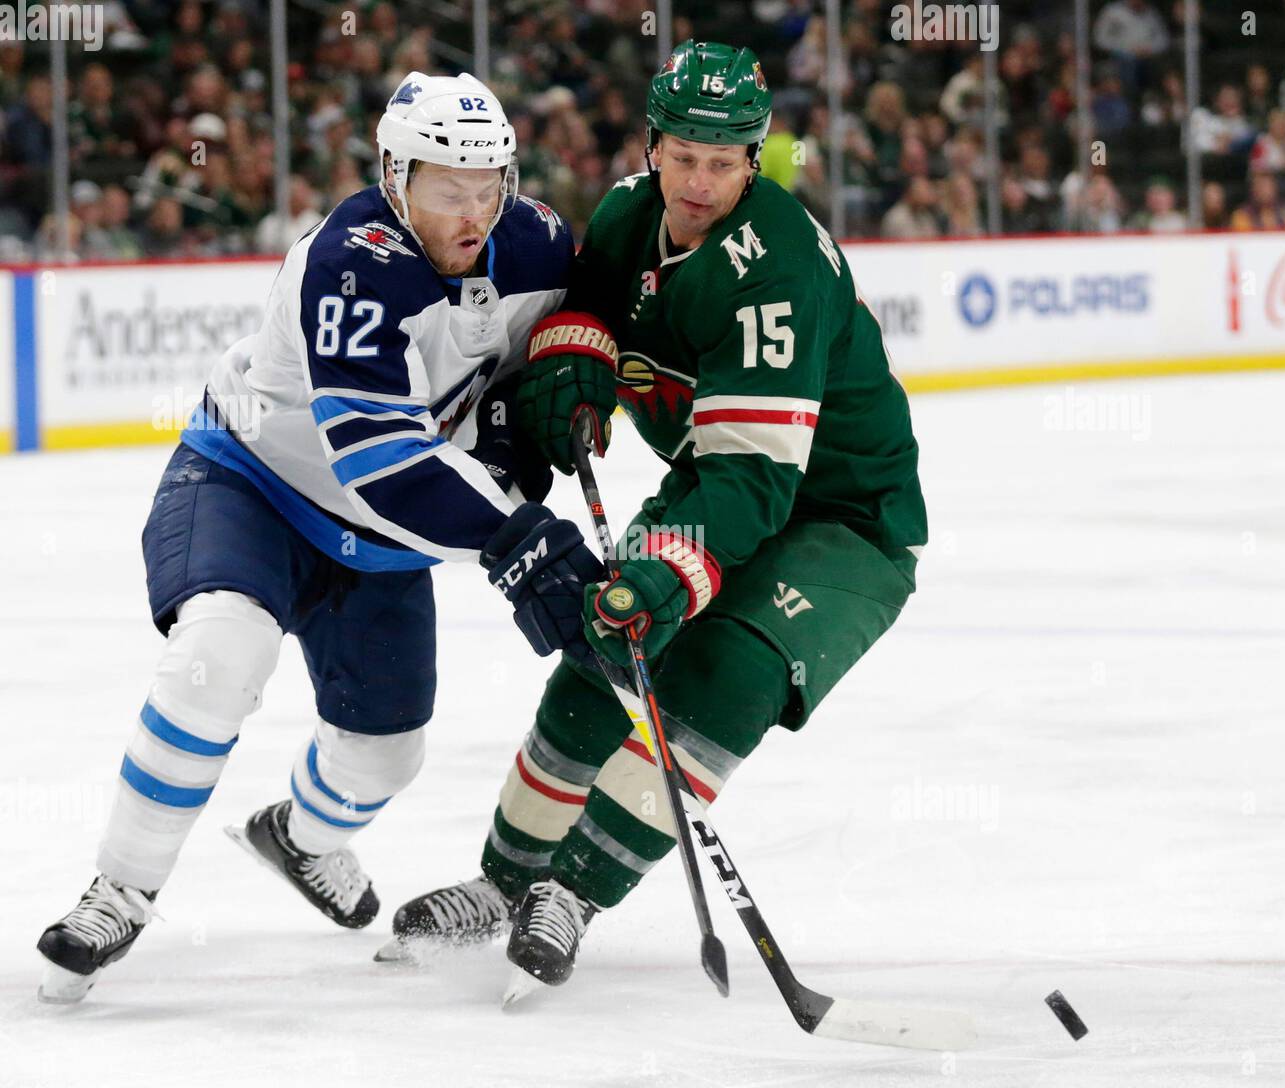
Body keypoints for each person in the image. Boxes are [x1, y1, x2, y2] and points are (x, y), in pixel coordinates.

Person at [35, 72, 596, 1003]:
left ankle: (296, 836)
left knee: (386, 755)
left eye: (487, 181)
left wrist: (574, 369)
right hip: (251, 481)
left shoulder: (533, 240)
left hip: (380, 541)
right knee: (222, 649)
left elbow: (573, 330)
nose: (472, 208)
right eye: (445, 186)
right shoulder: (352, 258)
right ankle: (121, 888)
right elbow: (378, 457)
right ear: (393, 175)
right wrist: (515, 537)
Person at [385, 42, 927, 992]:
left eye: (723, 162)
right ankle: (505, 881)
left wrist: (672, 570)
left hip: (843, 519)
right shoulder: (632, 215)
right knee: (603, 647)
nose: (700, 182)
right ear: (653, 145)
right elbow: (585, 310)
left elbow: (756, 477)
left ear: (754, 160)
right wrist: (573, 360)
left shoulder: (777, 266)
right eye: (682, 155)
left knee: (723, 671)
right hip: (717, 476)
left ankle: (576, 892)